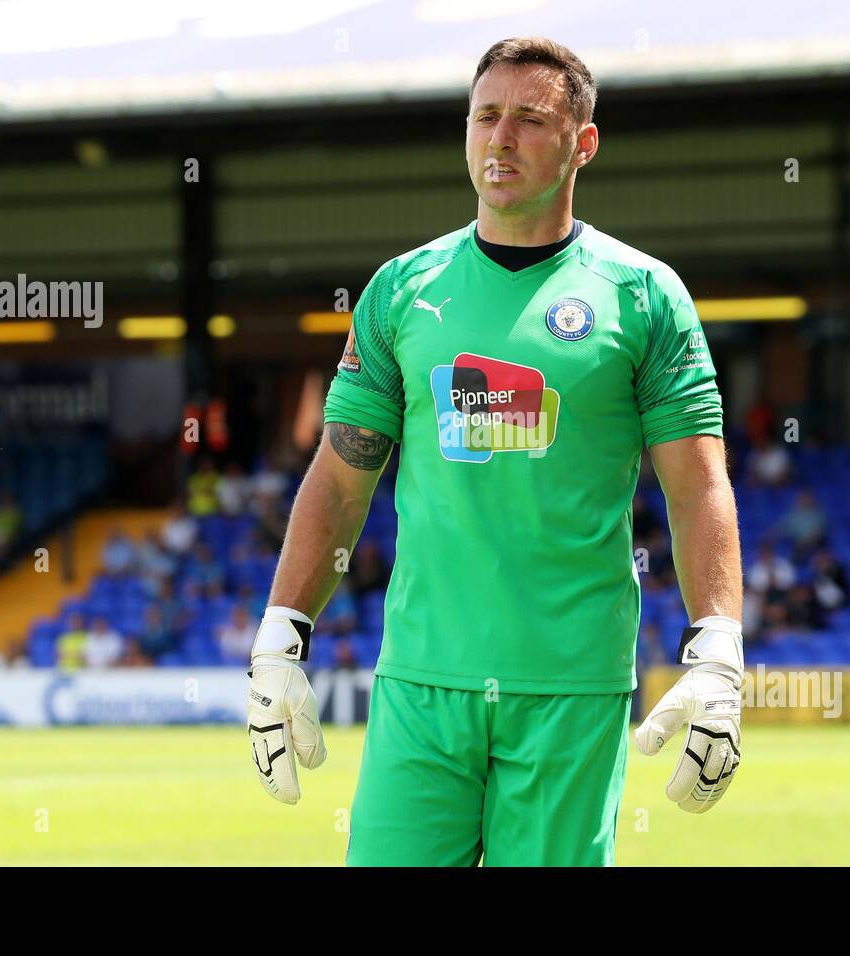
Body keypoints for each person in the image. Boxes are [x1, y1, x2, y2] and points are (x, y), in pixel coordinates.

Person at [245, 37, 744, 868]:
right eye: (484, 116)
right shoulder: (402, 289)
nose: (499, 138)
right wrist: (280, 632)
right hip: (422, 680)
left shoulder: (645, 296)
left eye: (528, 119)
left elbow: (697, 488)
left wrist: (719, 648)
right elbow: (340, 475)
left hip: (569, 686)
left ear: (583, 143)